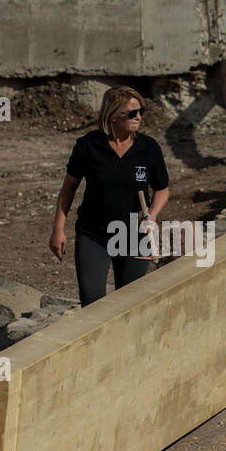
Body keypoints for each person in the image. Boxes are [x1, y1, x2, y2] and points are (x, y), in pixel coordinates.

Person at [49, 87, 170, 306]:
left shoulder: (148, 148)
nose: (139, 117)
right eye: (132, 113)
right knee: (92, 302)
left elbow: (162, 189)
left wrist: (152, 215)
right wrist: (58, 229)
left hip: (135, 234)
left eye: (141, 111)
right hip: (94, 235)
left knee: (129, 304)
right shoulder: (87, 146)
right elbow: (68, 188)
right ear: (113, 115)